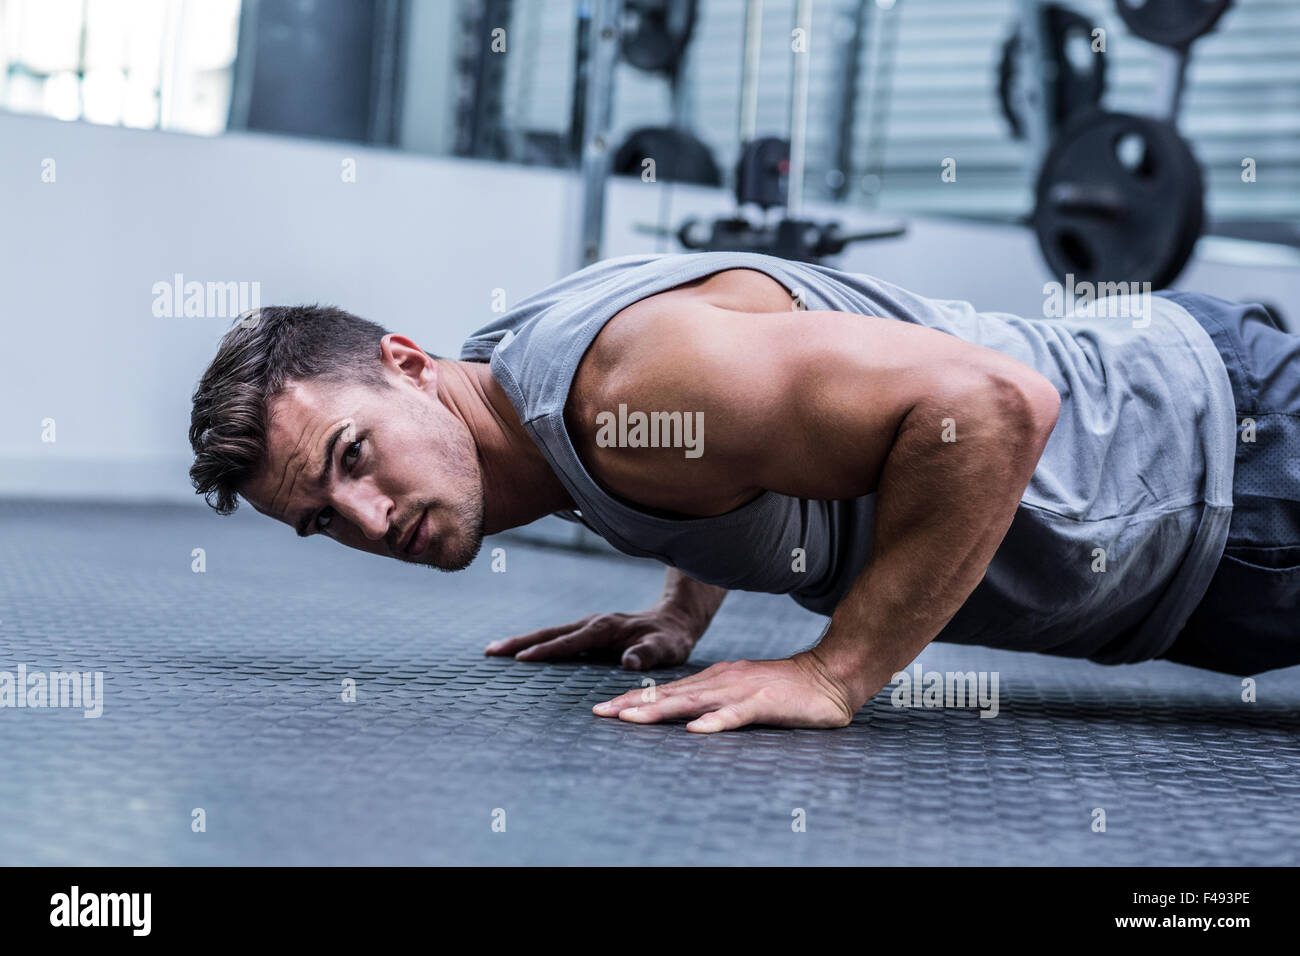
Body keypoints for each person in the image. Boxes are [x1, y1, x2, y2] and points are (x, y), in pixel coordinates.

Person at [187, 251, 1300, 733]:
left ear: (407, 362)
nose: (370, 519)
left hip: (1226, 472)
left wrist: (834, 673)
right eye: (323, 521)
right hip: (1197, 459)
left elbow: (993, 407)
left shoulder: (622, 388)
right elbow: (739, 448)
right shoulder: (522, 392)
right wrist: (684, 607)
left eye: (351, 457)